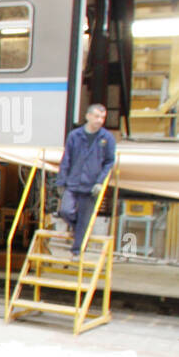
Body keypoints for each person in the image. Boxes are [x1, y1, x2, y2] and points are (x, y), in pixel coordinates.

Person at [56, 103, 117, 254]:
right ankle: (78, 229)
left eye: (102, 117)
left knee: (85, 218)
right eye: (97, 116)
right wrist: (61, 181)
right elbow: (66, 159)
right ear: (88, 116)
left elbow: (109, 161)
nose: (100, 120)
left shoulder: (107, 138)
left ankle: (77, 251)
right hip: (73, 182)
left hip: (91, 187)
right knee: (65, 211)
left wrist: (100, 182)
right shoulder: (75, 136)